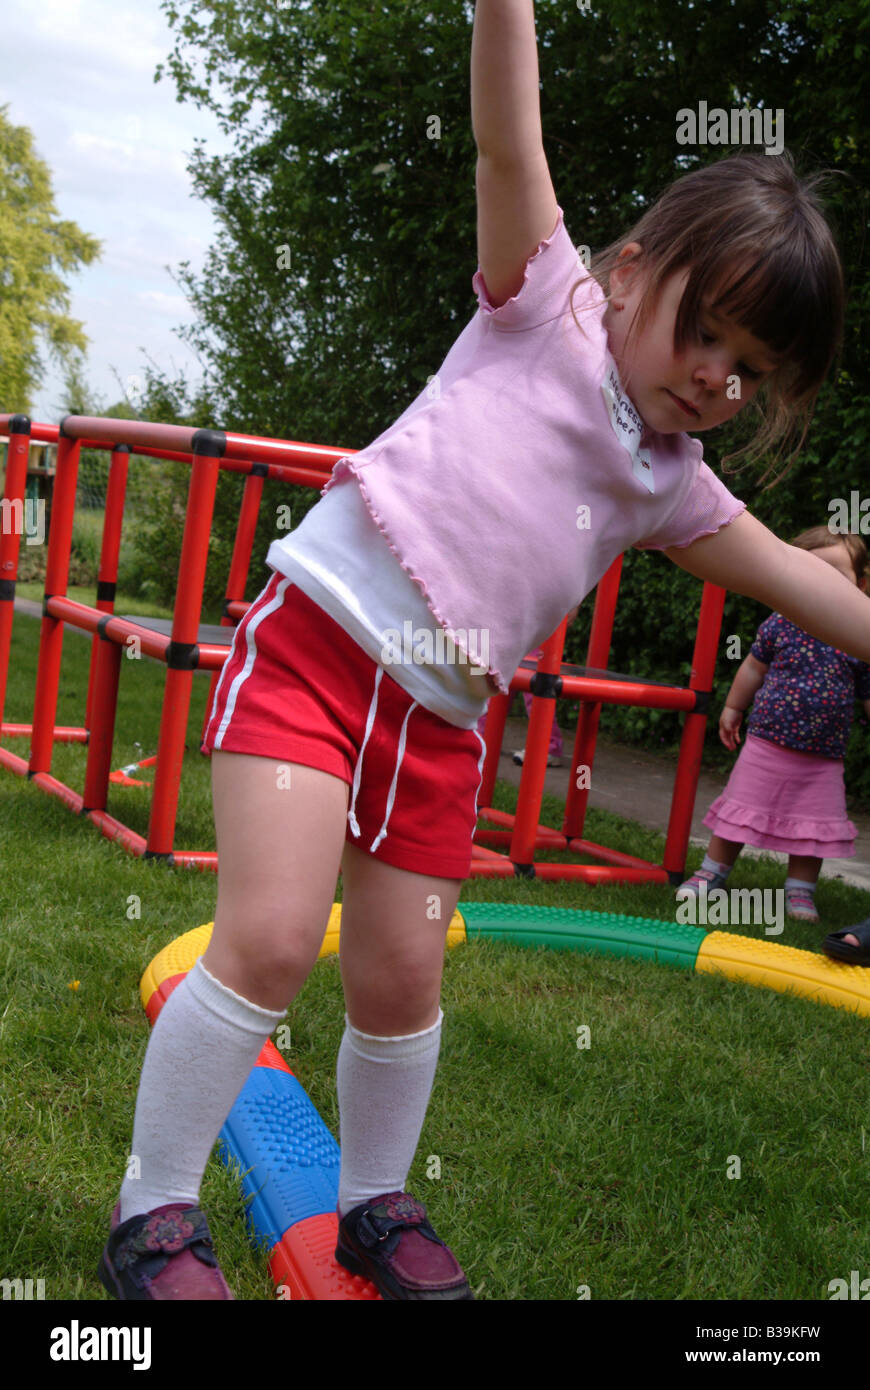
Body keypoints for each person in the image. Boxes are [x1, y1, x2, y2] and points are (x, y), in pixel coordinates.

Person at [99, 0, 867, 1302]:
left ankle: (375, 1201)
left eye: (748, 367)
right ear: (628, 269)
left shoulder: (670, 485)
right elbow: (504, 140)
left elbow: (805, 579)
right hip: (315, 656)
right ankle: (151, 1210)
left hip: (441, 727)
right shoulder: (542, 305)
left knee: (401, 977)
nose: (714, 374)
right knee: (277, 935)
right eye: (704, 329)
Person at [677, 528, 870, 927]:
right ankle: (713, 870)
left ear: (861, 585)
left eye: (835, 575)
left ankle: (800, 891)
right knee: (740, 811)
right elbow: (753, 666)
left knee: (812, 828)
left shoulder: (857, 637)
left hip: (824, 756)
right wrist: (732, 707)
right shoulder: (781, 624)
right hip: (768, 742)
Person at [477, 606, 580, 768]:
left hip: (540, 616)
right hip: (515, 616)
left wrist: (573, 605)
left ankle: (548, 746)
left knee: (534, 680)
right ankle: (482, 735)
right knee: (499, 676)